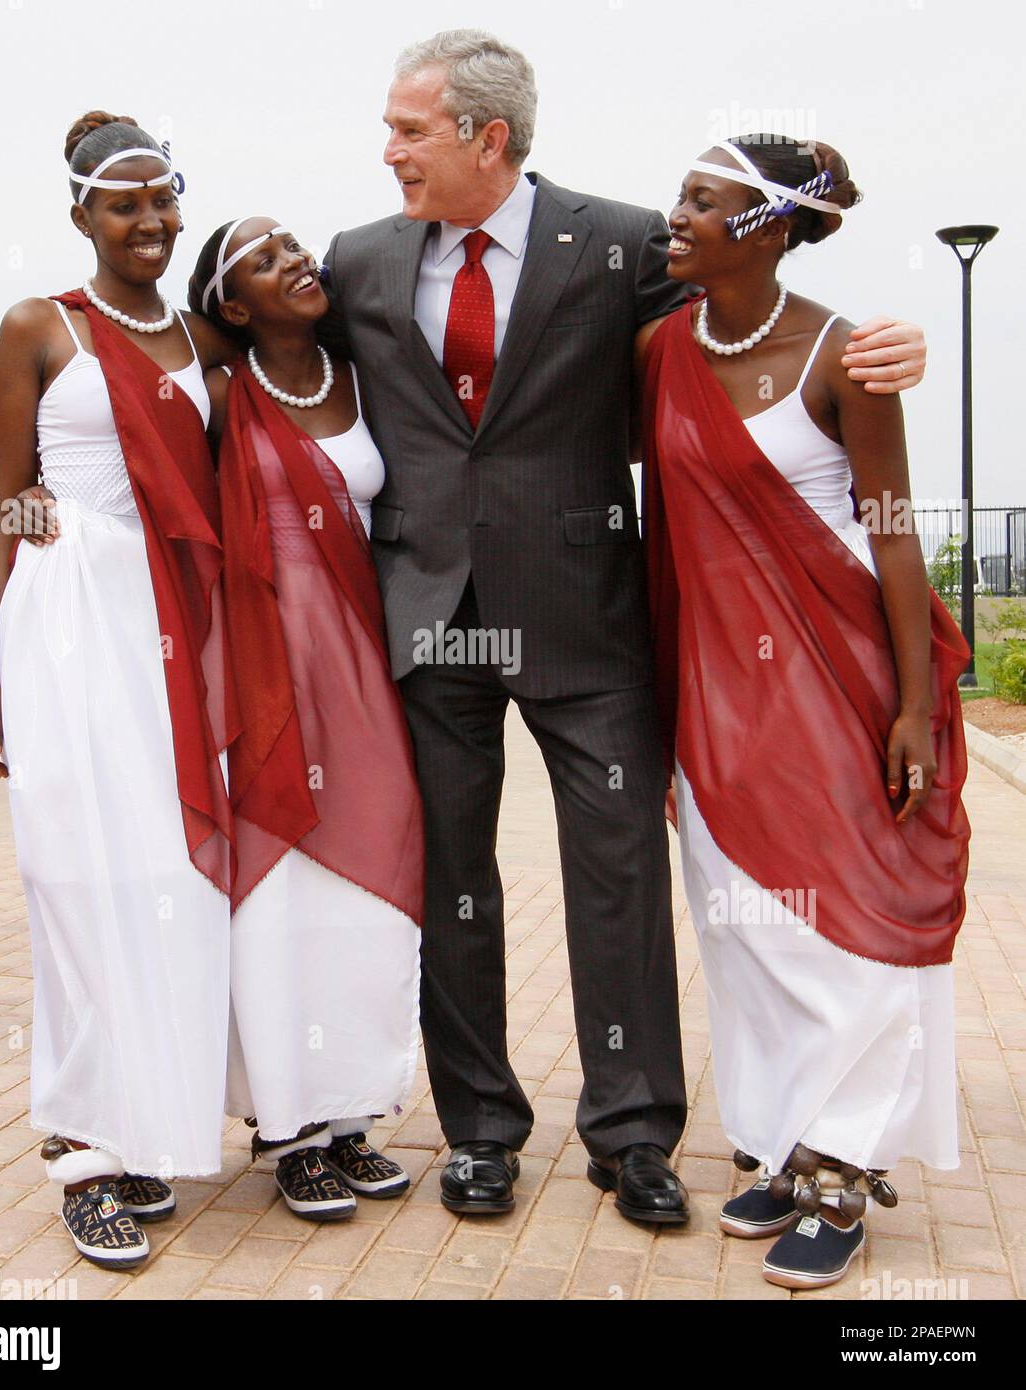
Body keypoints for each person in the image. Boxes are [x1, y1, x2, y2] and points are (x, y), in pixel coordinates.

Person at [318, 29, 929, 1220]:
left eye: (408, 129)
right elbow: (268, 357)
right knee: (455, 882)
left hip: (587, 622)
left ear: (484, 137)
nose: (386, 149)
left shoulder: (619, 242)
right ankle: (480, 1128)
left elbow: (757, 306)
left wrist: (894, 339)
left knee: (618, 881)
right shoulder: (358, 260)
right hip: (430, 619)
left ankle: (633, 1132)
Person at [636, 135, 970, 1286]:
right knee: (742, 925)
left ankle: (843, 1167)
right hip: (718, 684)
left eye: (701, 203)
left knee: (842, 916)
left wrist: (917, 708)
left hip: (836, 677)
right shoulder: (657, 346)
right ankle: (782, 1139)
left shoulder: (847, 352)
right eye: (678, 197)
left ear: (769, 227)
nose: (672, 217)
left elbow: (889, 526)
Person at [0, 112, 237, 1269]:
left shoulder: (205, 338)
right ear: (80, 210)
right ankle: (80, 1151)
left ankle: (141, 1131)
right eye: (124, 203)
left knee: (162, 876)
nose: (151, 222)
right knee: (73, 876)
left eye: (164, 200)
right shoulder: (40, 327)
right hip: (67, 616)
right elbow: (13, 497)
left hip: (172, 624)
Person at [187, 218, 424, 1221]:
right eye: (267, 256)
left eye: (296, 240)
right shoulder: (219, 388)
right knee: (278, 898)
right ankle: (285, 1128)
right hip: (257, 671)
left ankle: (350, 1112)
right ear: (234, 305)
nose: (298, 257)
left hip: (361, 670)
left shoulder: (366, 372)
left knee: (369, 892)